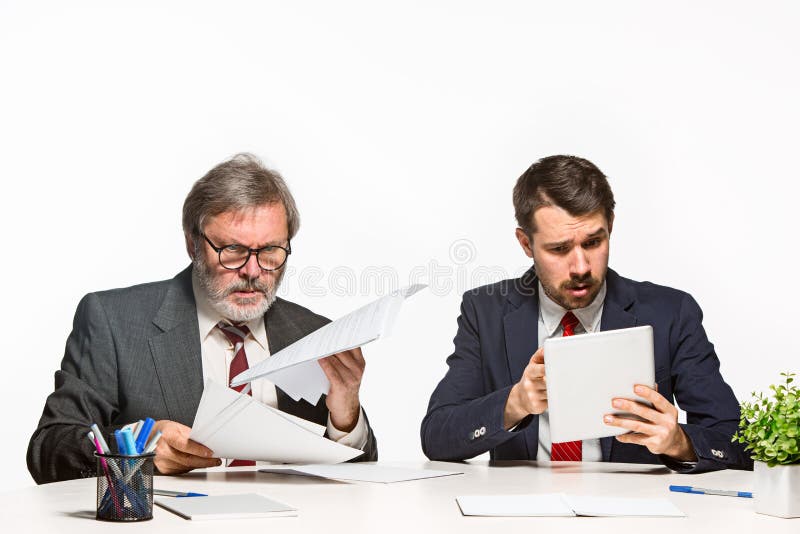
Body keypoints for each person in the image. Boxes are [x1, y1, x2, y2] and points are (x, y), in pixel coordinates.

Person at [28, 153, 377, 484]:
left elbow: (359, 482)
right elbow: (49, 449)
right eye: (234, 250)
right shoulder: (114, 322)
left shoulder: (313, 334)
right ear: (193, 244)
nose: (253, 271)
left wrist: (345, 417)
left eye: (270, 250)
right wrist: (137, 447)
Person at [420, 155, 751, 473]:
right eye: (559, 249)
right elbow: (437, 437)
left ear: (611, 227)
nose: (580, 267)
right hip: (522, 513)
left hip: (633, 517)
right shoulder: (485, 311)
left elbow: (739, 445)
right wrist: (515, 403)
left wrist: (679, 442)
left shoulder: (670, 313)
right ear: (525, 243)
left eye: (593, 242)